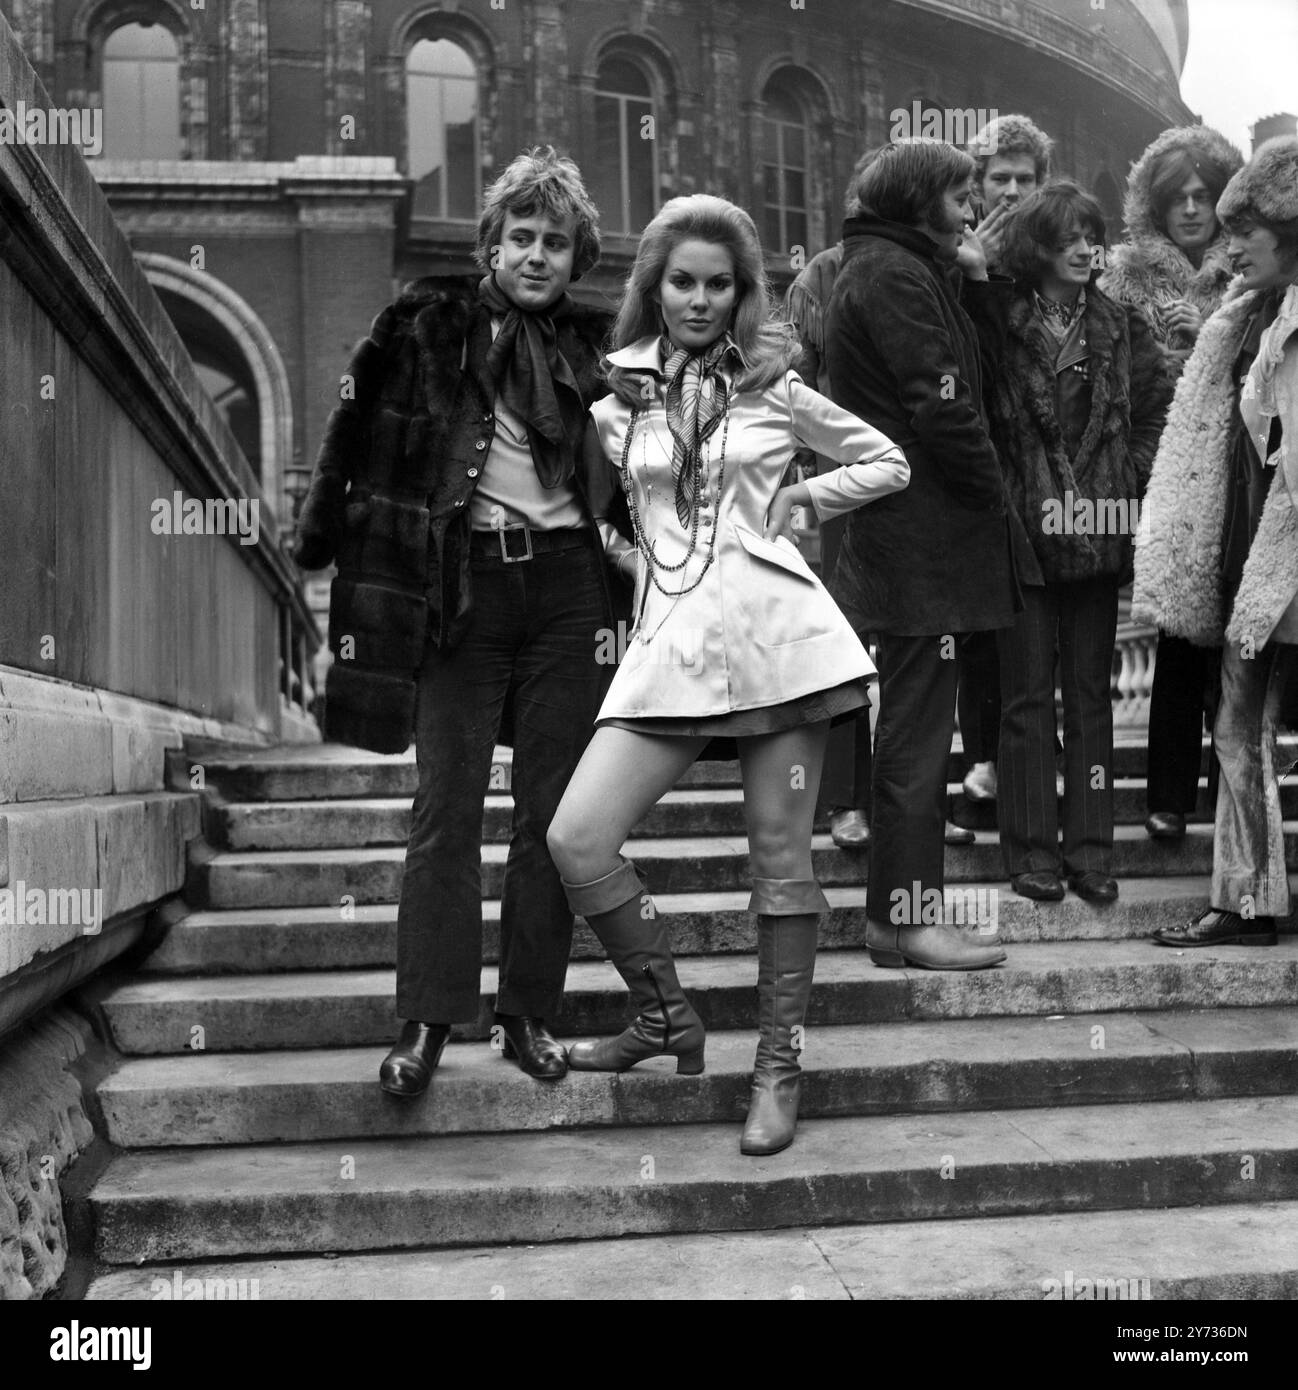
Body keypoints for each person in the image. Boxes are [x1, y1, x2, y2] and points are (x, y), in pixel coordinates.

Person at [546, 194, 909, 1156]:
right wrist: (641, 566)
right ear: (654, 288)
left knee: (781, 863)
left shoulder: (776, 389)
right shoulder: (615, 407)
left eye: (719, 284)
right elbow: (619, 525)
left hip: (780, 642)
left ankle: (777, 1068)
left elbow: (887, 462)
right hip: (668, 646)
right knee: (577, 838)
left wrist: (799, 496)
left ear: (743, 294)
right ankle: (666, 1015)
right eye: (682, 282)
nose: (700, 300)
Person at [294, 147, 623, 1097]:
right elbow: (347, 432)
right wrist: (320, 532)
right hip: (459, 589)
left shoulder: (603, 348)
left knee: (552, 816)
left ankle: (528, 1015)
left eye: (555, 243)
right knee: (446, 811)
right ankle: (427, 1020)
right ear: (490, 243)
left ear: (577, 256)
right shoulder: (421, 326)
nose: (535, 256)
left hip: (571, 594)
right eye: (519, 237)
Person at [824, 138, 1016, 971]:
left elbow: (978, 374)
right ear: (918, 199)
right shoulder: (894, 276)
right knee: (916, 732)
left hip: (909, 535)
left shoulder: (891, 266)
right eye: (962, 194)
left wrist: (975, 279)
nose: (974, 210)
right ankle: (910, 922)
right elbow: (945, 407)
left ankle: (890, 922)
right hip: (921, 539)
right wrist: (996, 495)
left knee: (911, 726)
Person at [989, 183, 1173, 903]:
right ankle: (1032, 852)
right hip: (1024, 535)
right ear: (1034, 248)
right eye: (1065, 236)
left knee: (1091, 697)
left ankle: (1092, 853)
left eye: (1090, 233)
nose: (1082, 247)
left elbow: (1159, 410)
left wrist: (1127, 477)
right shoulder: (1000, 325)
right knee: (1027, 697)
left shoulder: (1121, 326)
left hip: (1096, 533)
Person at [1135, 136, 1298, 948]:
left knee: (1239, 726)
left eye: (1247, 235)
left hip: (1283, 563)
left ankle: (1248, 902)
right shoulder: (1246, 322)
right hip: (1249, 554)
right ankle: (1248, 901)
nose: (1229, 248)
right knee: (1239, 727)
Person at [784, 157, 974, 850]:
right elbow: (792, 379)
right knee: (844, 648)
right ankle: (845, 803)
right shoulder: (825, 277)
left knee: (921, 653)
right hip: (848, 488)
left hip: (918, 491)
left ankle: (924, 802)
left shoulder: (940, 268)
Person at [1099, 126, 1244, 842]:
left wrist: (1213, 325)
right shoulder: (1123, 275)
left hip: (1241, 472)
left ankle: (1231, 792)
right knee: (1178, 634)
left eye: (1204, 195)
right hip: (1158, 477)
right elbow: (1103, 376)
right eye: (1177, 197)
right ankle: (1166, 796)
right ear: (1153, 205)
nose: (1191, 209)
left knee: (1237, 645)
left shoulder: (1252, 268)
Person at [959, 113, 1058, 806]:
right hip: (976, 463)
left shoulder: (1058, 260)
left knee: (1042, 622)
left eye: (1026, 179)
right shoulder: (954, 257)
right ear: (978, 184)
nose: (1012, 191)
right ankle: (985, 756)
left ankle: (1032, 755)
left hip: (1044, 465)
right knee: (981, 622)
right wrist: (977, 276)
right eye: (1001, 178)